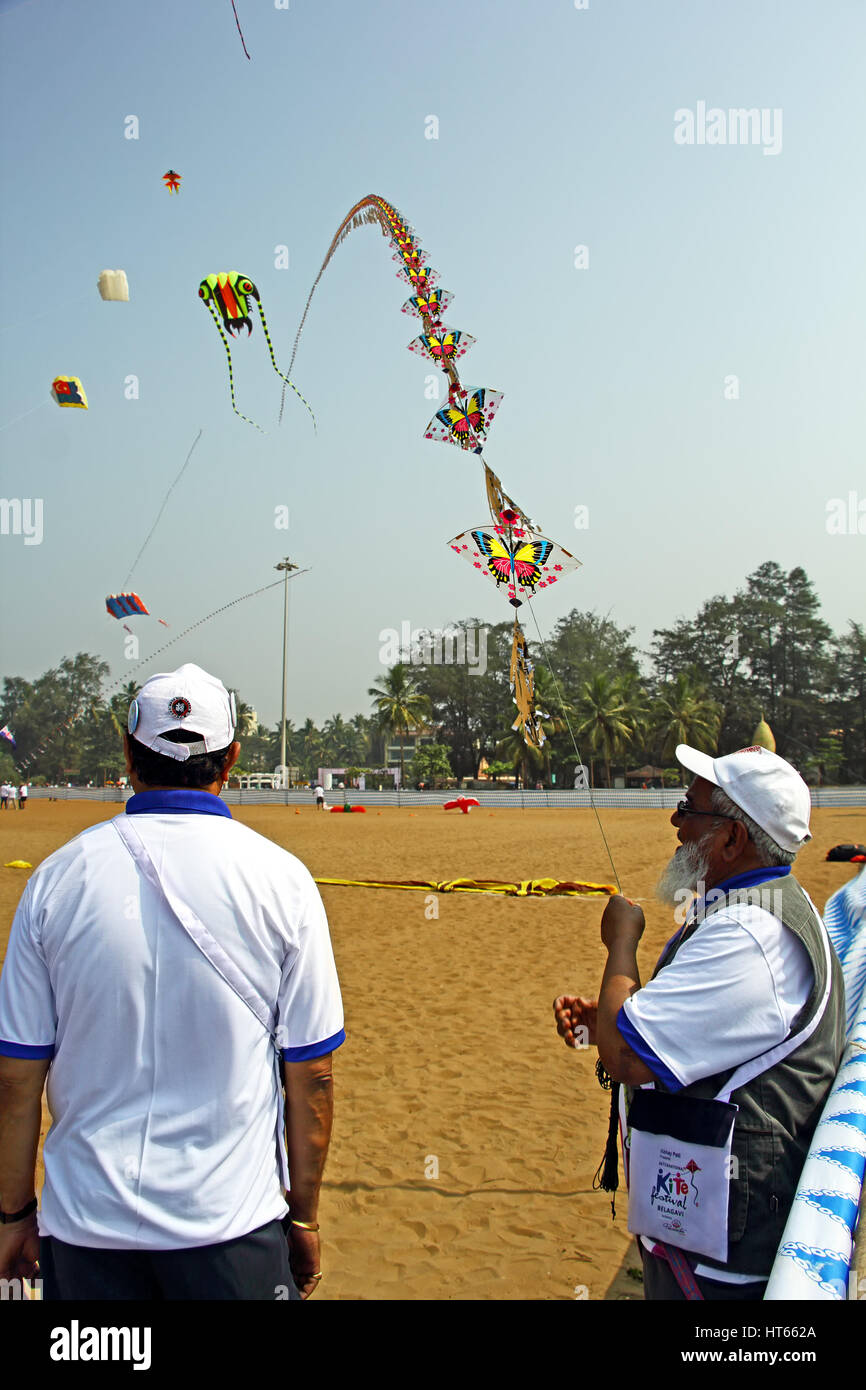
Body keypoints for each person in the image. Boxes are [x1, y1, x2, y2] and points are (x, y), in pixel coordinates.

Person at [0, 663, 345, 1301]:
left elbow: (17, 1075)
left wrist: (14, 1214)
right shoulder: (284, 880)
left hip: (85, 1229)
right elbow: (313, 1073)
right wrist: (304, 1215)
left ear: (129, 756)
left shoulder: (55, 877)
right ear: (232, 757)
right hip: (231, 1225)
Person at [554, 743, 844, 1300]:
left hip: (729, 1259)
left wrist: (620, 942)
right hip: (710, 1229)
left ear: (734, 838)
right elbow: (709, 1036)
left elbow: (630, 1060)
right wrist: (605, 1022)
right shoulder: (755, 906)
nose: (675, 821)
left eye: (689, 808)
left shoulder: (751, 934)